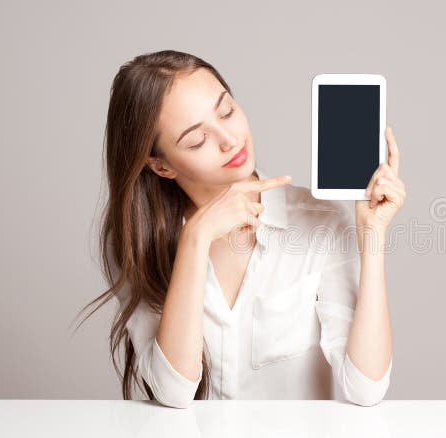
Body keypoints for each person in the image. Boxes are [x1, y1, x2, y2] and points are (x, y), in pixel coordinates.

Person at [75, 50, 406, 408]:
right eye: (196, 140)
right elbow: (172, 391)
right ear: (161, 166)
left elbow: (365, 388)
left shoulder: (319, 221)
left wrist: (372, 238)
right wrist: (196, 238)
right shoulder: (135, 241)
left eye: (227, 111)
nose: (229, 139)